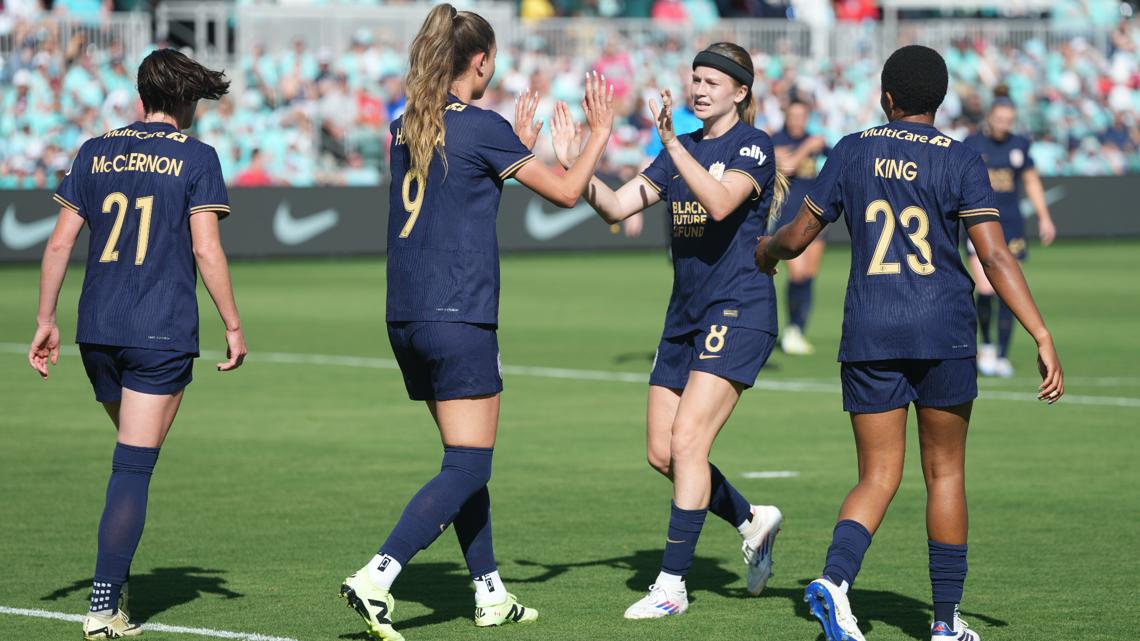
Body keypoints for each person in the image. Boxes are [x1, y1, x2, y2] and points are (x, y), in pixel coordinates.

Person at [755, 45, 1064, 641]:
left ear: (887, 97)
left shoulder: (853, 148)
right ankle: (945, 624)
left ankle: (836, 583)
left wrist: (765, 250)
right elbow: (995, 255)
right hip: (944, 330)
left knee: (877, 475)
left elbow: (798, 235)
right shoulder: (962, 158)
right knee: (945, 475)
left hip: (870, 330)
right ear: (940, 100)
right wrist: (1041, 333)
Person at [337, 5, 615, 641]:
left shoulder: (408, 123)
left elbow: (457, 189)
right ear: (481, 60)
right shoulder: (480, 127)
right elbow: (570, 193)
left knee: (464, 459)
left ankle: (490, 594)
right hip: (459, 312)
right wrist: (599, 131)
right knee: (469, 464)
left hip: (405, 315)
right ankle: (378, 575)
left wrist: (509, 146)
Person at [551, 42, 786, 619]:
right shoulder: (676, 152)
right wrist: (579, 160)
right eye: (695, 79)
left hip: (738, 308)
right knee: (663, 453)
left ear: (740, 93)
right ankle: (752, 519)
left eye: (712, 81)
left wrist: (675, 144)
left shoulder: (752, 145)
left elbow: (722, 201)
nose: (699, 89)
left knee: (688, 443)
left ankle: (672, 586)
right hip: (684, 316)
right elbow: (614, 207)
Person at [27, 49, 247, 640]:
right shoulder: (197, 157)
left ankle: (109, 585)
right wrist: (231, 323)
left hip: (95, 330)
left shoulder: (94, 150)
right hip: (161, 329)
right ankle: (104, 604)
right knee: (133, 466)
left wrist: (45, 319)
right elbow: (205, 249)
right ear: (184, 100)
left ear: (141, 95)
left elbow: (57, 246)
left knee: (130, 453)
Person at [963, 88, 1057, 378]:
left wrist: (1044, 217)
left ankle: (1002, 353)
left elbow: (1031, 182)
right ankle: (987, 345)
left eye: (1009, 119)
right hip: (979, 224)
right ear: (990, 116)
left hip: (1011, 225)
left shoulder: (1019, 145)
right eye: (1000, 118)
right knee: (986, 288)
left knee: (1009, 292)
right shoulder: (972, 143)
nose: (1004, 123)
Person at [771, 98, 829, 355]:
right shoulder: (776, 140)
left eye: (801, 116)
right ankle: (791, 330)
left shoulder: (816, 141)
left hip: (813, 217)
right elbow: (789, 166)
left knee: (808, 276)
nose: (797, 120)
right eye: (792, 115)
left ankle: (798, 329)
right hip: (786, 218)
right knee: (796, 273)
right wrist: (807, 147)